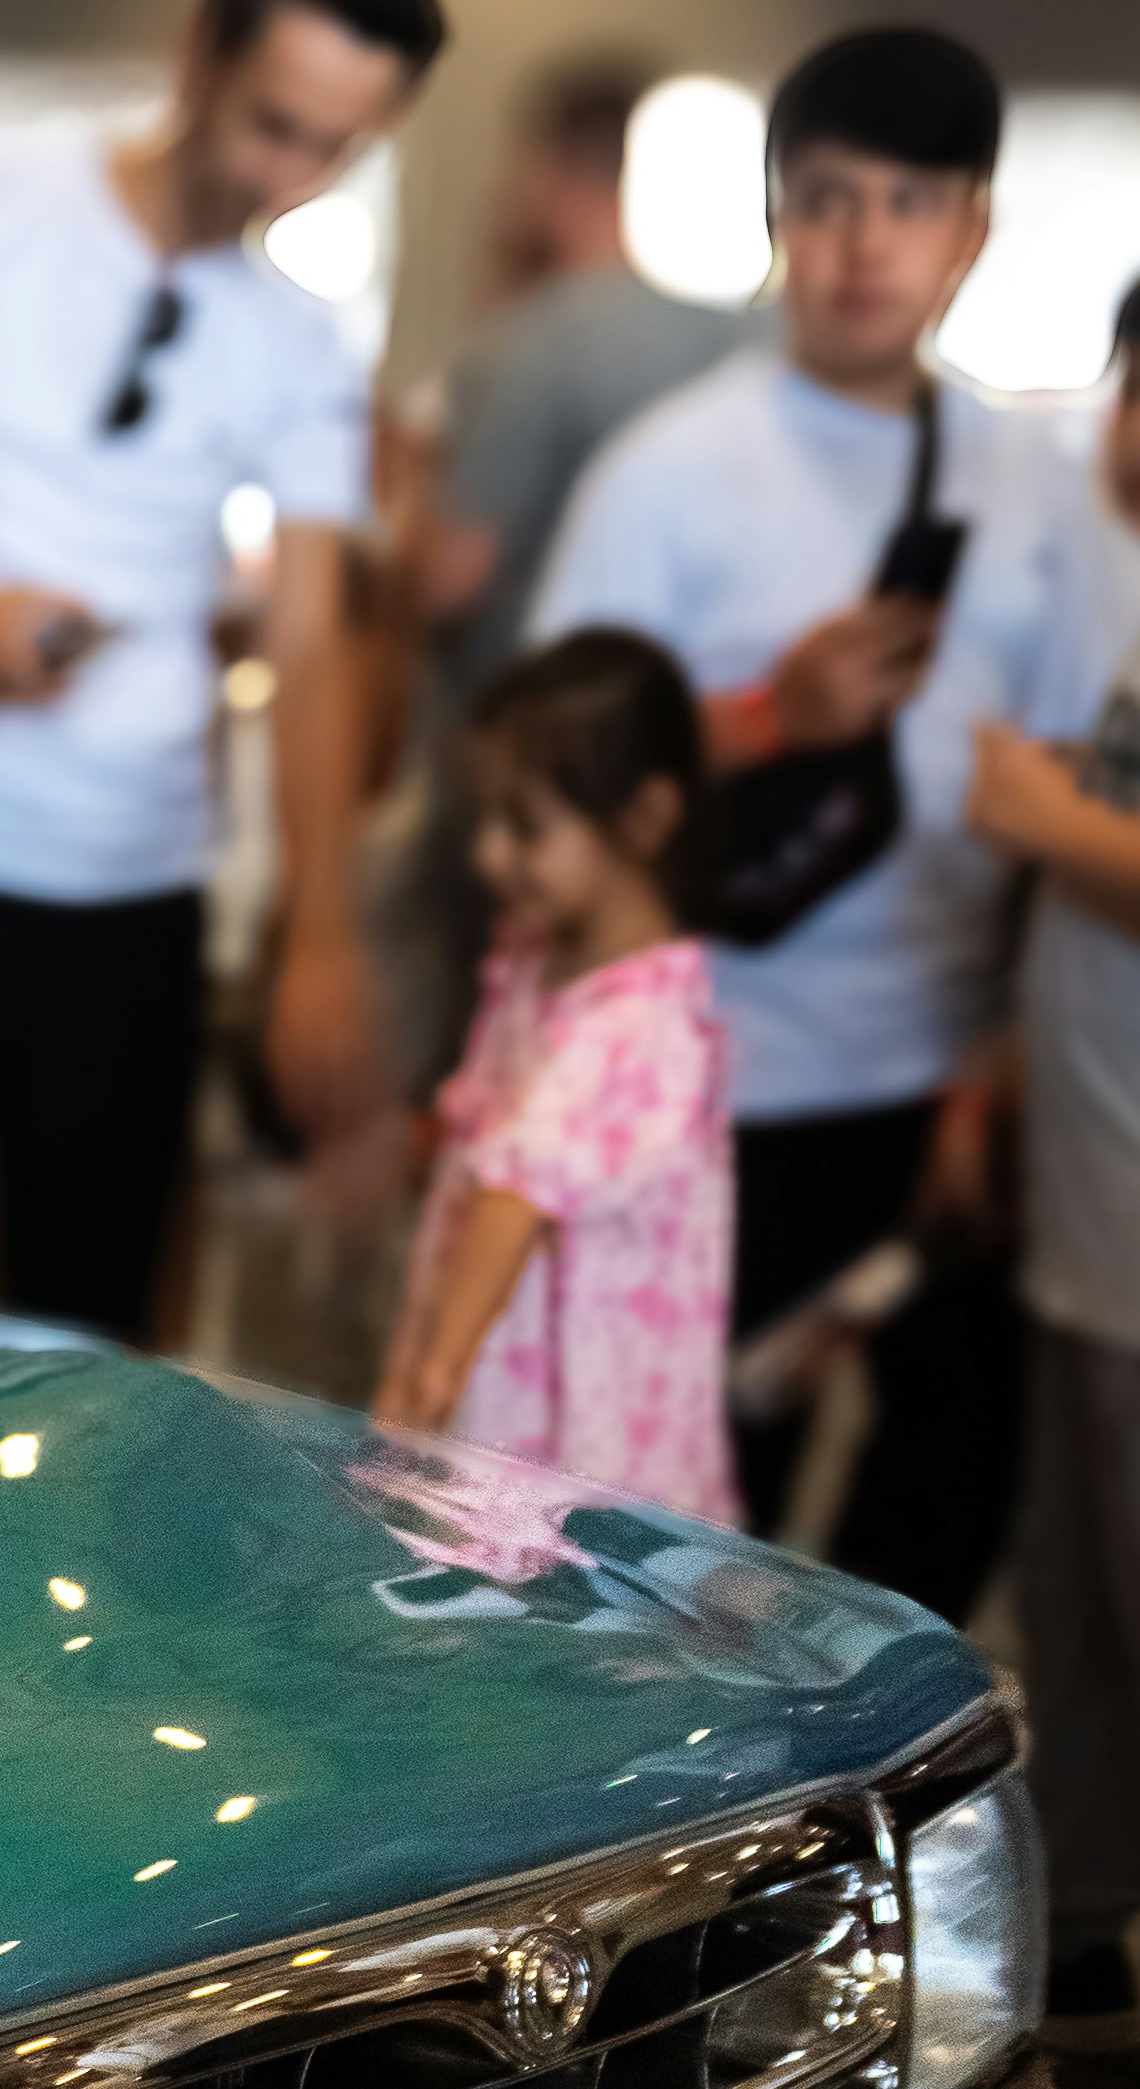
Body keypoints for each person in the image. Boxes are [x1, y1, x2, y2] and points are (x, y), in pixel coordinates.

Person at [0, 0, 443, 1342]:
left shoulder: (299, 339)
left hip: (127, 889)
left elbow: (313, 637)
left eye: (335, 149)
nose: (286, 178)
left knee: (91, 1347)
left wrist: (322, 930)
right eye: (272, 124)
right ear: (196, 60)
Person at [533, 26, 1103, 1603]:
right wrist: (768, 717)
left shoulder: (1033, 486)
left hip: (944, 1093)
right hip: (714, 1087)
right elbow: (535, 786)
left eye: (910, 203)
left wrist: (994, 1066)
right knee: (674, 1536)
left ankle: (853, 1824)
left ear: (972, 229)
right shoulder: (669, 472)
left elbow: (1060, 785)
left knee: (941, 1512)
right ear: (778, 216)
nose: (864, 246)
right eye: (829, 200)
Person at [390, 58, 739, 1068]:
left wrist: (390, 526)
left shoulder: (537, 342)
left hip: (533, 779)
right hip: (682, 772)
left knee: (509, 1055)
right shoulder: (746, 339)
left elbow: (449, 573)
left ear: (548, 168)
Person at [964, 275, 1140, 2089]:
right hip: (1085, 1213)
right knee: (1075, 1618)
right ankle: (1080, 1973)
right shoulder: (1099, 568)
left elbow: (1063, 829)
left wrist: (1043, 823)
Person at [376, 629, 735, 1523]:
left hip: (573, 1453)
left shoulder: (642, 1024)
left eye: (525, 825)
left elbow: (513, 1200)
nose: (491, 854)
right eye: (487, 817)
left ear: (646, 819)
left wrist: (426, 1383)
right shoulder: (537, 957)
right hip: (501, 1388)